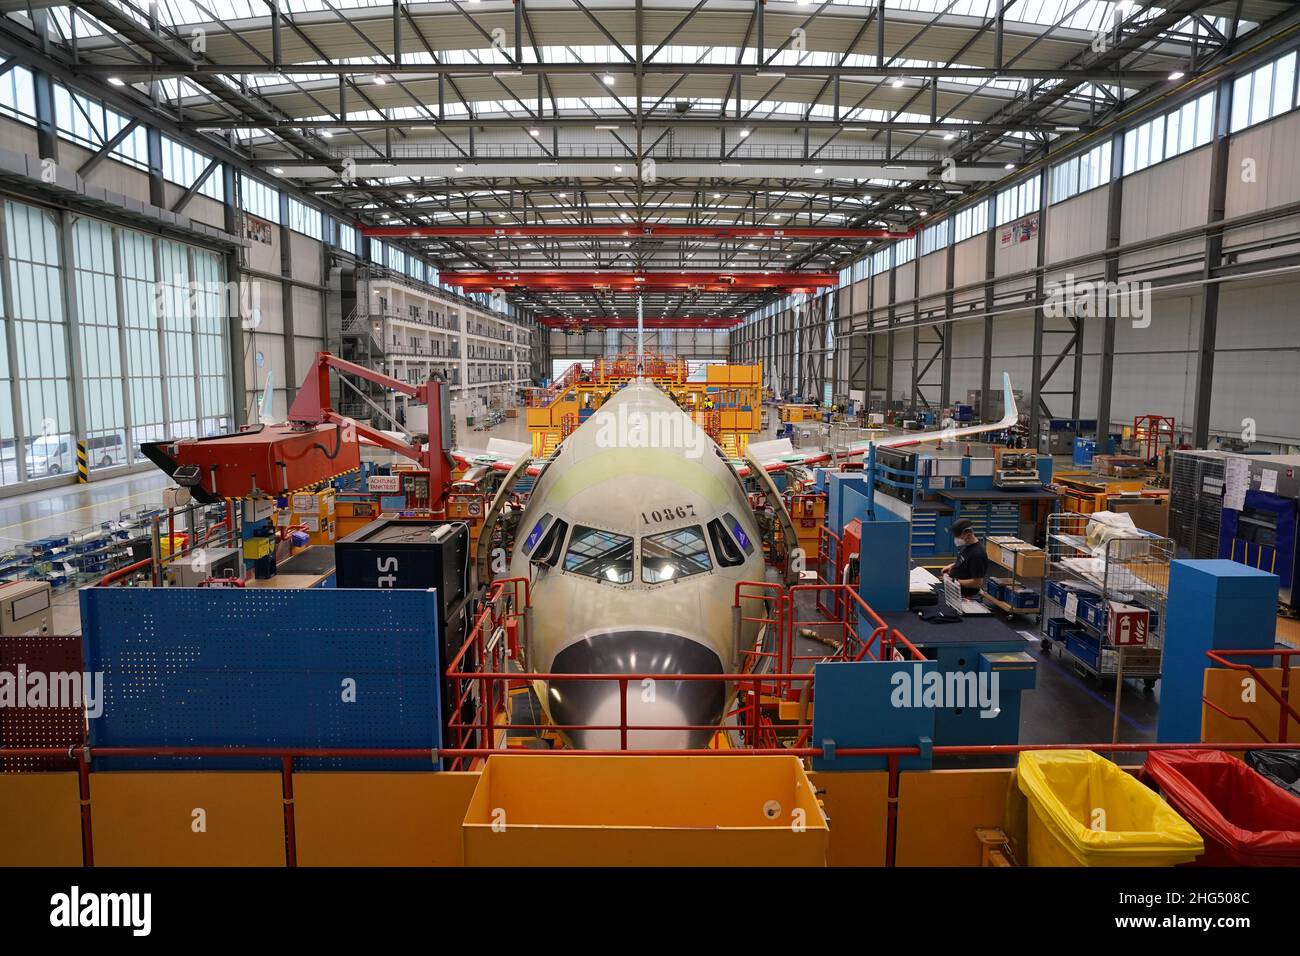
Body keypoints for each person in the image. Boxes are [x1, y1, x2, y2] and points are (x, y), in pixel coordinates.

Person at [941, 518, 988, 596]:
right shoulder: (967, 546)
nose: (955, 538)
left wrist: (954, 580)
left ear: (968, 534)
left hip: (967, 595)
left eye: (957, 536)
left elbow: (977, 582)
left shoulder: (977, 554)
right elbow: (965, 561)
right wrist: (951, 566)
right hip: (957, 591)